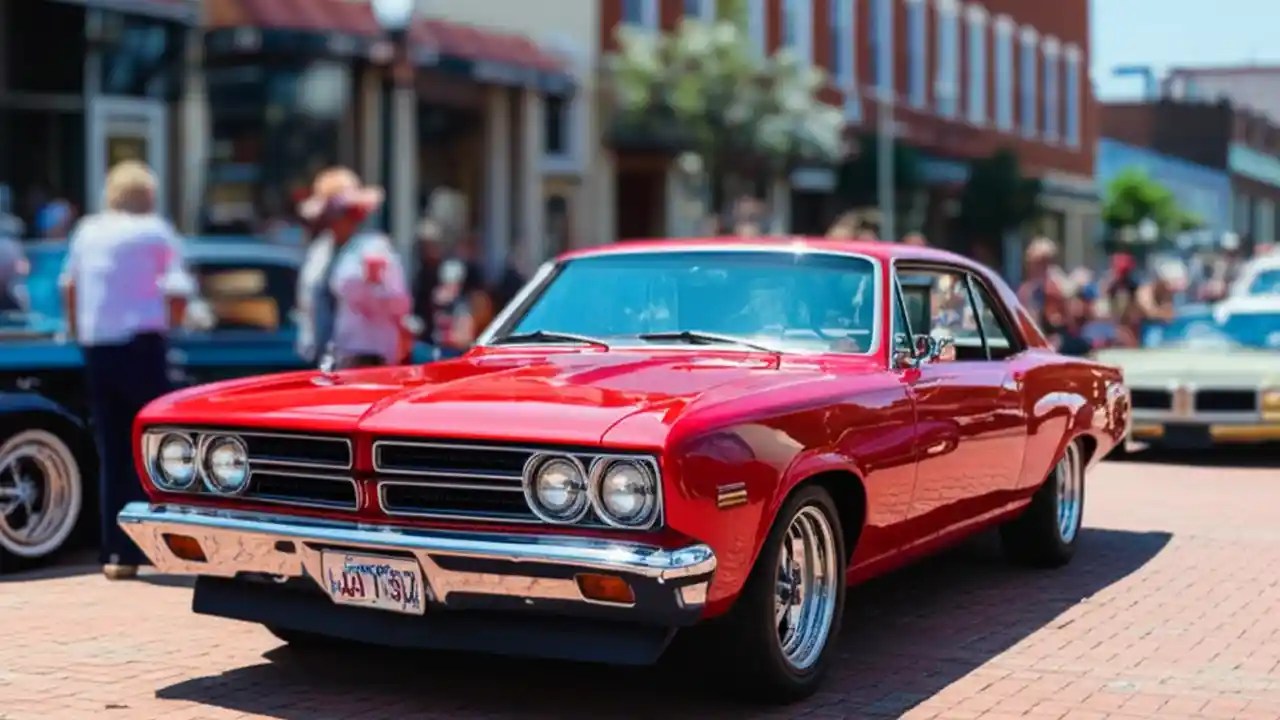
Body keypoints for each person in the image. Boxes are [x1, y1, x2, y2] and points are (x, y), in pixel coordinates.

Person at [59, 160, 193, 580]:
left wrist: (80, 331)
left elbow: (69, 286)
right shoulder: (155, 231)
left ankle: (116, 552)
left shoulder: (88, 230)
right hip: (141, 346)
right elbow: (178, 291)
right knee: (153, 446)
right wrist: (172, 327)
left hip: (98, 347)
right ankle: (152, 543)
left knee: (112, 450)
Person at [295, 167, 411, 370]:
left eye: (344, 212)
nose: (338, 220)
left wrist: (374, 286)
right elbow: (307, 302)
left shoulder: (374, 249)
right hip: (326, 355)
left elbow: (399, 304)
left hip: (366, 355)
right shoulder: (320, 251)